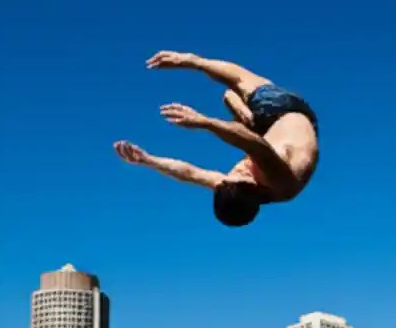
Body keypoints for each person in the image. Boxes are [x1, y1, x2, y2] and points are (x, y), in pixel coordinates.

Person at [114, 51, 319, 226]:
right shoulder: (281, 183)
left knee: (233, 100)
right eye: (243, 174)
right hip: (280, 108)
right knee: (239, 84)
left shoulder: (233, 186)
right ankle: (202, 67)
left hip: (268, 128)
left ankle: (233, 101)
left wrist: (147, 160)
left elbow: (190, 173)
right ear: (255, 191)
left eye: (232, 173)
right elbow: (253, 144)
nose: (239, 168)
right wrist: (205, 122)